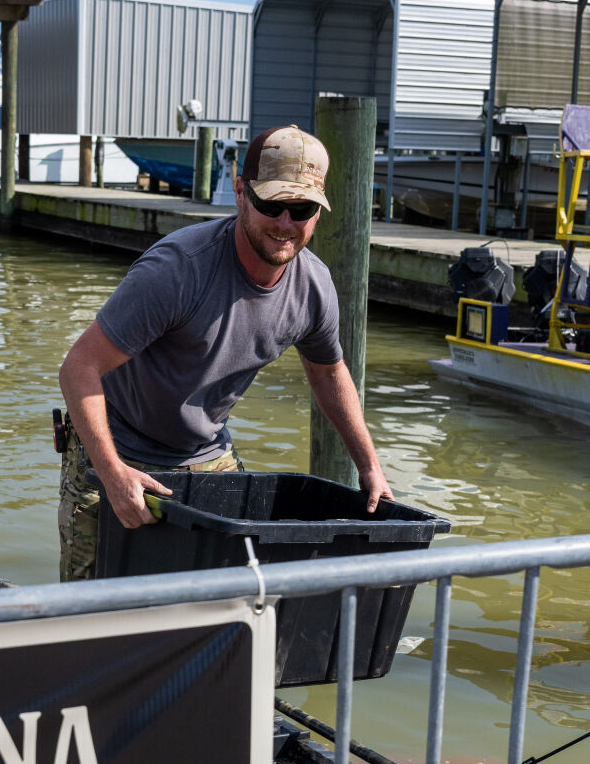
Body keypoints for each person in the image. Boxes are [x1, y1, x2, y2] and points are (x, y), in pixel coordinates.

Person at [56, 125, 392, 580]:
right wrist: (113, 473)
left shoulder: (314, 286)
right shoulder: (177, 270)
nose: (286, 223)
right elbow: (79, 367)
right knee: (90, 606)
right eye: (272, 204)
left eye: (303, 208)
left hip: (206, 453)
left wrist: (369, 467)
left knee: (225, 601)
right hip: (119, 447)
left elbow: (329, 375)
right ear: (240, 192)